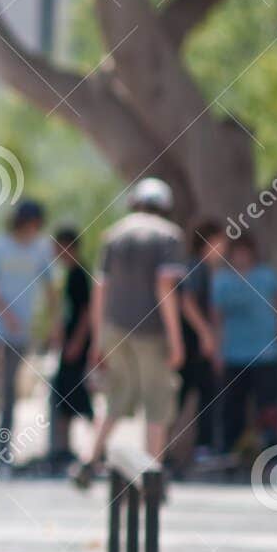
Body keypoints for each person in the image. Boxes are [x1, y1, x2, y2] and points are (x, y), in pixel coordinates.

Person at [72, 178, 186, 486]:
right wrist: (176, 340)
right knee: (157, 401)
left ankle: (89, 459)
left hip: (114, 329)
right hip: (152, 331)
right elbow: (164, 287)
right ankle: (152, 474)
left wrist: (98, 340)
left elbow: (100, 289)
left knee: (116, 398)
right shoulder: (169, 235)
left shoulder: (115, 234)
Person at [0, 199, 56, 466]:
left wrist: (53, 324)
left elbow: (50, 287)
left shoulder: (41, 248)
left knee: (8, 389)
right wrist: (9, 316)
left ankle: (3, 447)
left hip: (19, 331)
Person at [212, 231, 277, 453]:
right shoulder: (222, 281)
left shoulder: (267, 276)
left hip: (266, 353)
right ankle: (228, 449)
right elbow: (216, 317)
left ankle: (273, 448)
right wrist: (217, 350)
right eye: (237, 253)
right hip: (233, 354)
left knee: (269, 406)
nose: (241, 257)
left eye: (245, 253)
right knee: (231, 406)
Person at [167, 219, 225, 470]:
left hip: (191, 342)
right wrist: (206, 334)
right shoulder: (197, 267)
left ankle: (191, 447)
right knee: (201, 392)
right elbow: (187, 303)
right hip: (190, 344)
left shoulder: (202, 268)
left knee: (197, 393)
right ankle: (200, 448)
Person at [48, 225, 93, 467]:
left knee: (74, 393)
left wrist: (76, 342)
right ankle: (62, 447)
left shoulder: (79, 274)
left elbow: (87, 312)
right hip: (70, 343)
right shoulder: (69, 273)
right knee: (62, 394)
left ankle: (94, 446)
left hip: (78, 345)